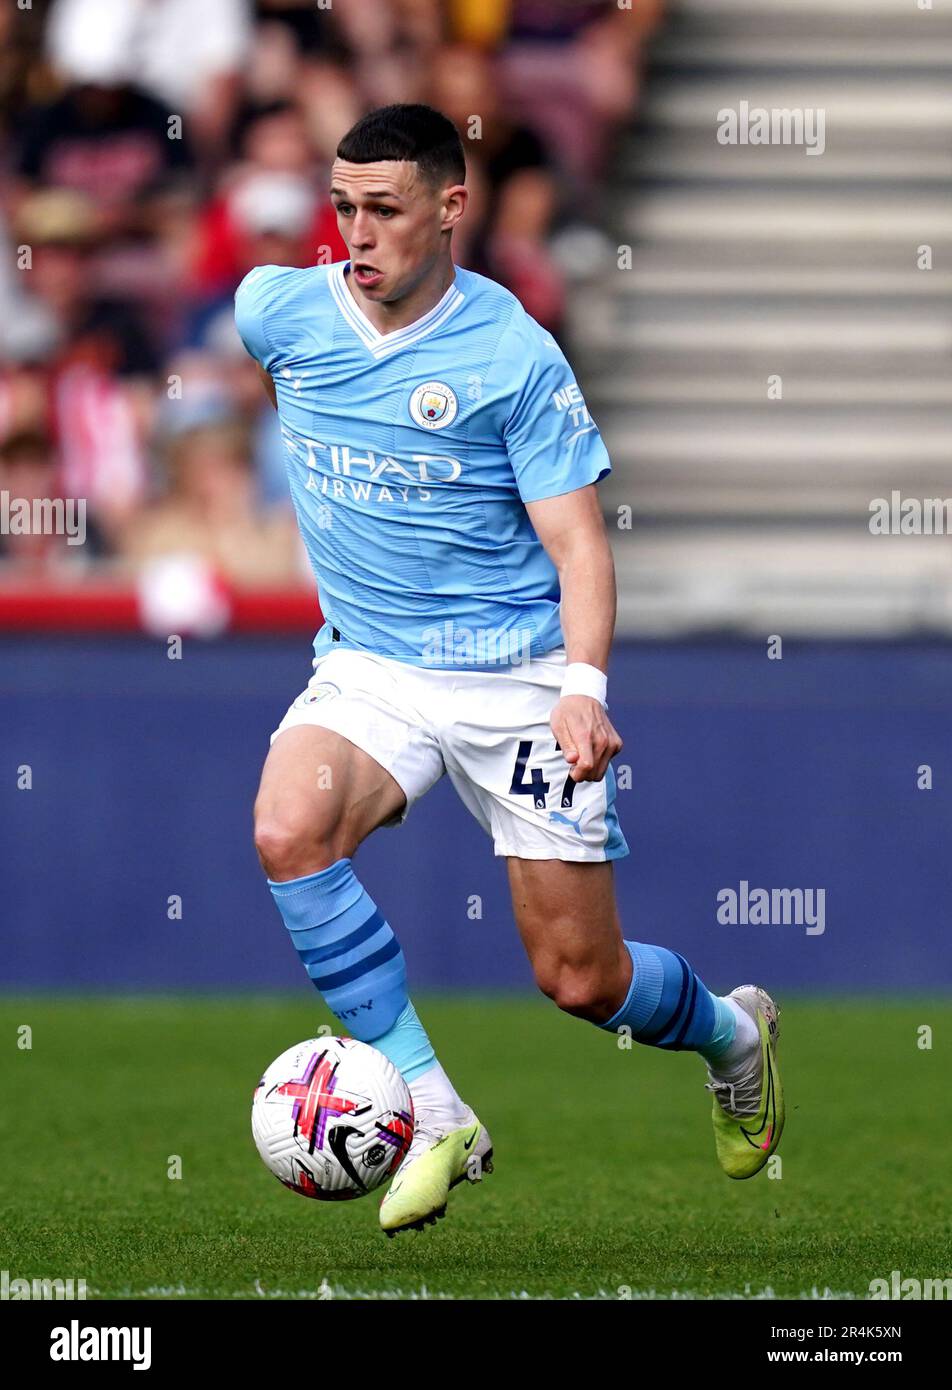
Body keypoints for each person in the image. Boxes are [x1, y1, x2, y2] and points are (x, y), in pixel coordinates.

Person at [235, 103, 784, 1236]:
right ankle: (435, 1114)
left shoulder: (513, 354)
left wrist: (583, 688)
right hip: (373, 667)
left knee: (582, 981)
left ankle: (732, 1031)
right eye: (342, 209)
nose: (357, 233)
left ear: (450, 206)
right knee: (288, 830)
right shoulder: (275, 310)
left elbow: (580, 543)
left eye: (383, 209)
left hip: (518, 678)